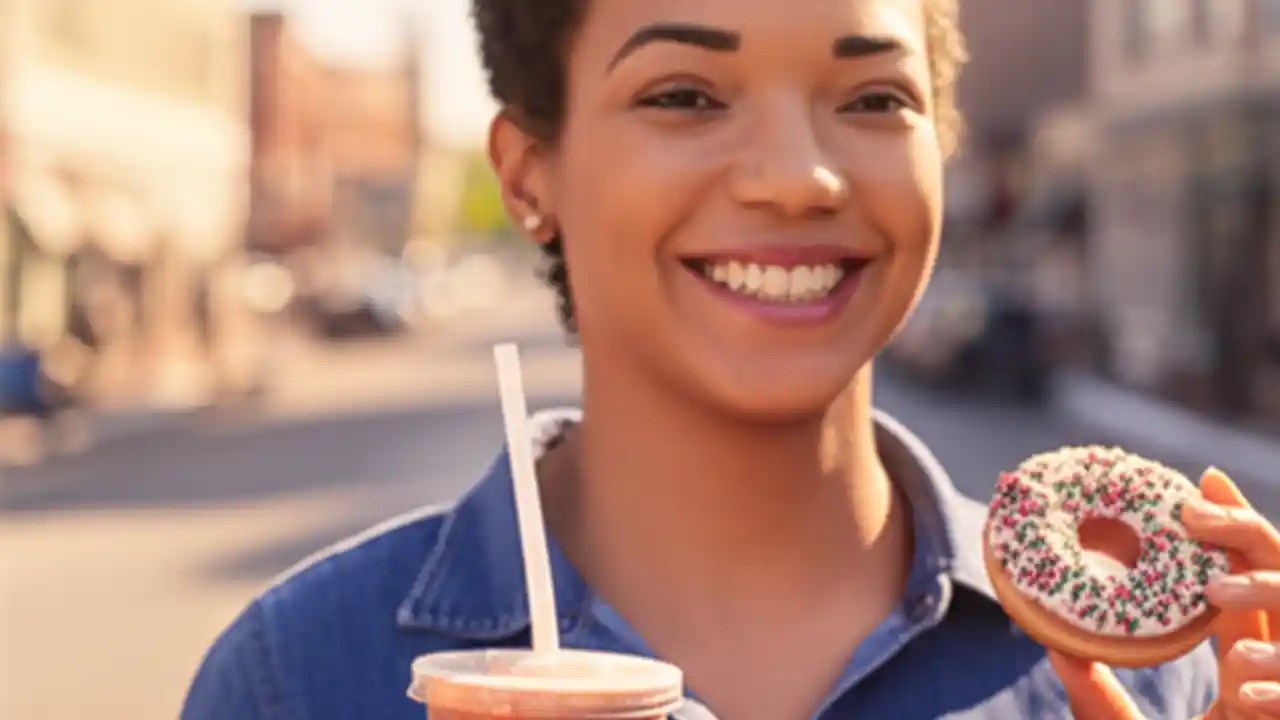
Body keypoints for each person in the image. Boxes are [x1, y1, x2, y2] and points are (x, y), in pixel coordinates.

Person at [182, 0, 1280, 717]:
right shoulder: (300, 677)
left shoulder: (1161, 680)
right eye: (683, 96)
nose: (797, 177)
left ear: (939, 146)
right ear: (527, 176)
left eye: (871, 99)